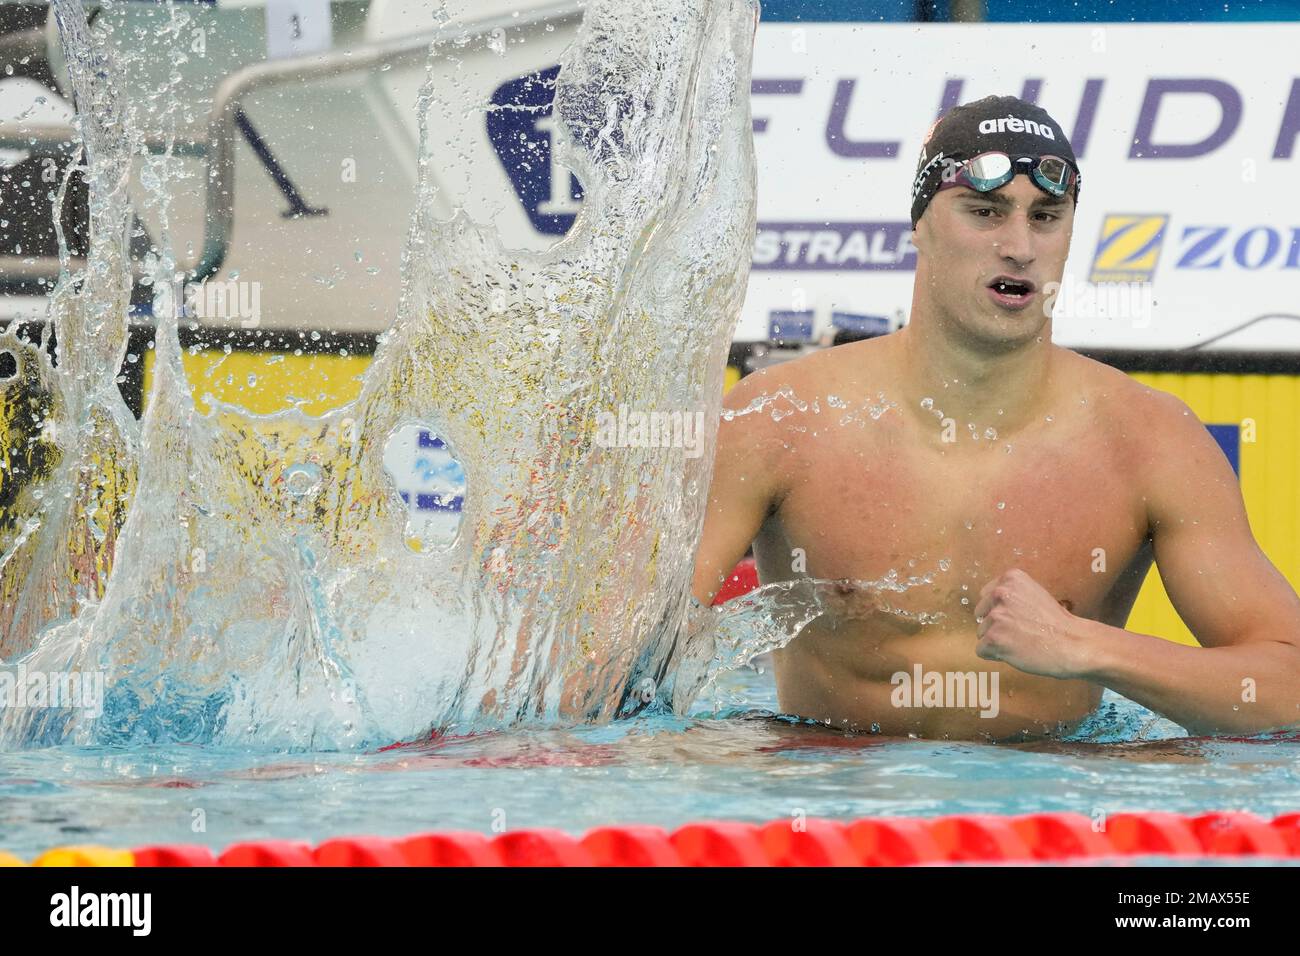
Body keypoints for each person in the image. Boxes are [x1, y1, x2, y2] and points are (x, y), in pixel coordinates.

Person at [691, 95, 1300, 741]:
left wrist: (1086, 647)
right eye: (984, 212)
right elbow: (620, 666)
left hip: (1048, 810)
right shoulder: (778, 418)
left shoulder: (1152, 441)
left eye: (1046, 217)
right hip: (834, 801)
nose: (1019, 246)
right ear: (919, 224)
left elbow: (1287, 690)